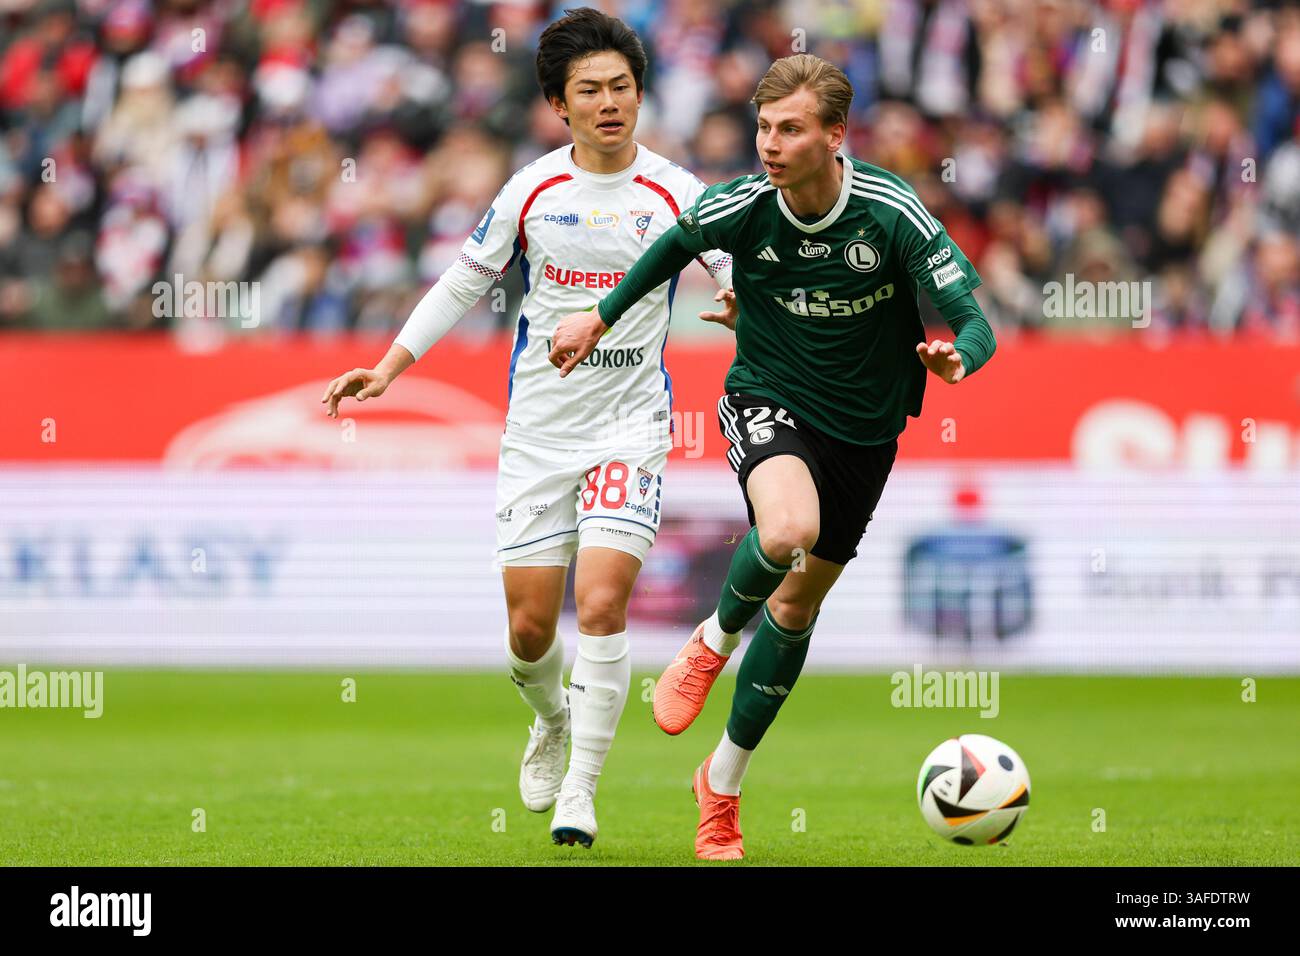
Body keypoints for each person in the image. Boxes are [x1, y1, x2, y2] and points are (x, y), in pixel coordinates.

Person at [550, 53, 996, 860]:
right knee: (787, 530)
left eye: (789, 128)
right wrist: (598, 319)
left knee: (794, 609)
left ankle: (719, 785)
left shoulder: (892, 213)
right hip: (767, 397)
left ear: (835, 135)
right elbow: (669, 249)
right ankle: (713, 641)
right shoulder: (746, 205)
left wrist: (957, 356)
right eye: (763, 126)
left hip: (866, 434)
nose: (769, 143)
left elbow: (975, 317)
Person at [320, 8, 734, 849]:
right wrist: (389, 367)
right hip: (539, 436)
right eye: (591, 90)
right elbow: (463, 282)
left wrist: (739, 302)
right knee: (529, 633)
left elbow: (735, 267)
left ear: (641, 94)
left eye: (623, 86)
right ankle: (550, 720)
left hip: (630, 425)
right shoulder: (533, 190)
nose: (611, 102)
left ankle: (581, 791)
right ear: (559, 104)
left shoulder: (678, 192)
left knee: (605, 601)